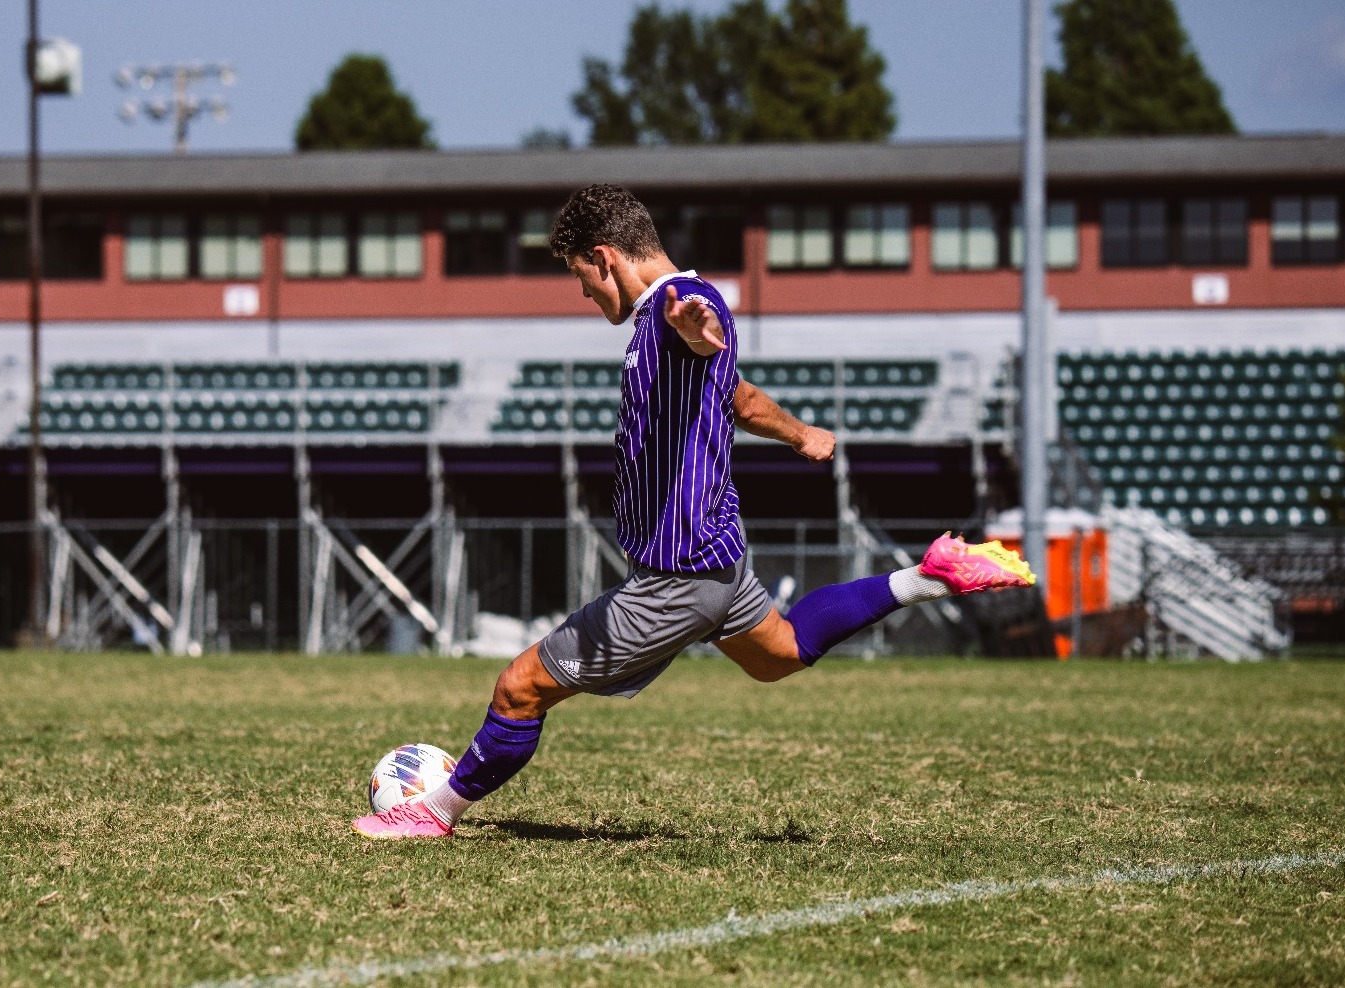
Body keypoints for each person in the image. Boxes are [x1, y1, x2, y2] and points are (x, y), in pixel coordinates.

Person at [353, 184, 1035, 839]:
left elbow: (703, 327)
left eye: (580, 277)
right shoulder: (662, 319)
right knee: (780, 652)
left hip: (676, 575)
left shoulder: (676, 306)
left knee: (519, 688)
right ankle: (927, 577)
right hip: (717, 559)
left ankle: (431, 811)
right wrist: (800, 434)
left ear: (603, 257)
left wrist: (699, 329)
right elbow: (738, 397)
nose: (584, 294)